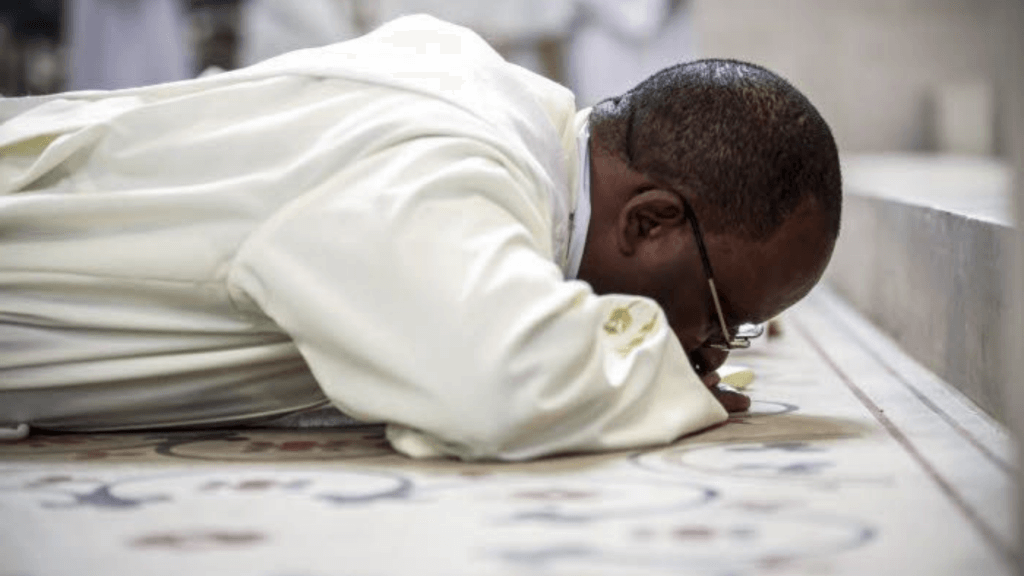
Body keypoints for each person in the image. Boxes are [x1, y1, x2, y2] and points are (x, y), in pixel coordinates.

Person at [0, 15, 841, 460]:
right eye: (723, 315)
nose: (712, 350)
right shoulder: (457, 152)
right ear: (648, 218)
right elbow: (493, 385)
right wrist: (662, 377)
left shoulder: (511, 128)